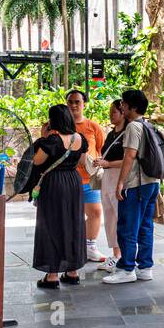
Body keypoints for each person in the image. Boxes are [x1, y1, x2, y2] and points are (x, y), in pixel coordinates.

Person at [102, 89, 160, 285]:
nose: (122, 107)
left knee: (127, 226)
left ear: (133, 107)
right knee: (145, 226)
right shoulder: (148, 125)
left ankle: (127, 268)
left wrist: (120, 183)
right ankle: (145, 267)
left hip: (136, 184)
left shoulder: (133, 127)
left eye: (124, 104)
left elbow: (129, 156)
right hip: (152, 183)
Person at [31, 104, 88, 289]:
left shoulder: (53, 140)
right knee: (73, 223)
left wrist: (43, 137)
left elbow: (37, 161)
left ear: (53, 120)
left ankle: (53, 275)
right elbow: (82, 162)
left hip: (54, 183)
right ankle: (72, 272)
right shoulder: (80, 138)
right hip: (73, 181)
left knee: (51, 225)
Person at [66, 89, 108, 264]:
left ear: (84, 104)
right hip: (68, 180)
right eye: (71, 102)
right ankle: (70, 248)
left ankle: (90, 247)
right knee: (70, 215)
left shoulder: (93, 127)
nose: (74, 105)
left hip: (89, 180)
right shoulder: (62, 127)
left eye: (78, 102)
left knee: (95, 212)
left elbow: (101, 149)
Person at [93, 98, 128, 270]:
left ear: (124, 112)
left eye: (114, 112)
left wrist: (108, 164)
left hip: (119, 177)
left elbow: (130, 160)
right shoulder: (112, 133)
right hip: (107, 177)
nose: (110, 115)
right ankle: (116, 254)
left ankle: (123, 256)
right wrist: (101, 162)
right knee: (109, 218)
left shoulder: (129, 132)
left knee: (119, 216)